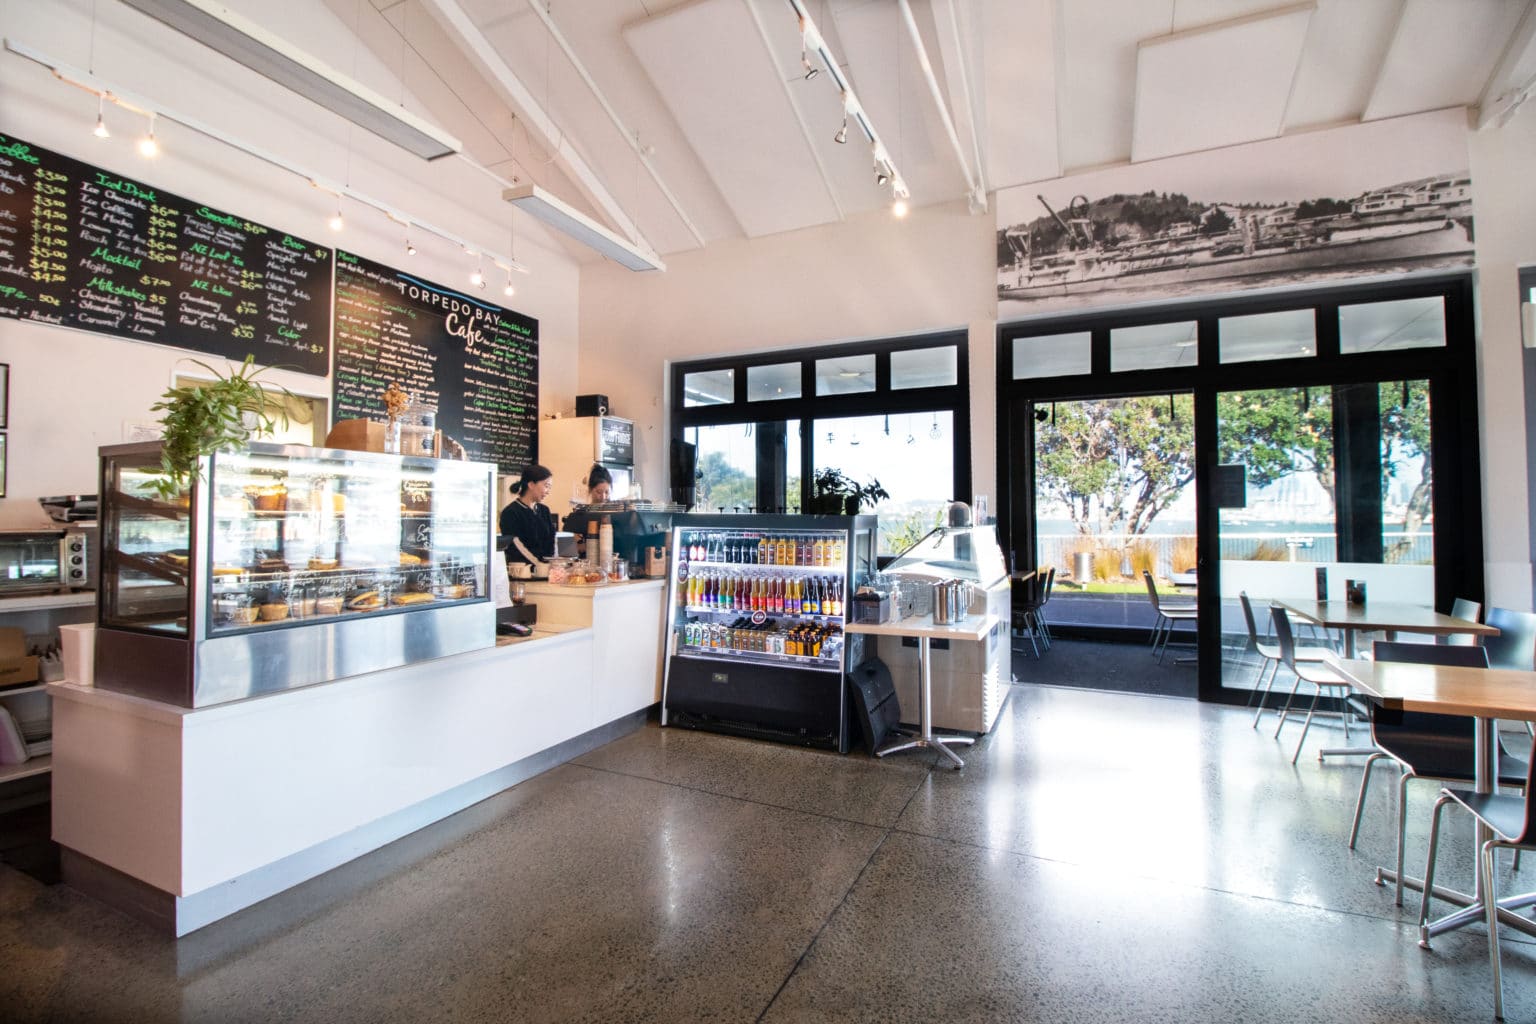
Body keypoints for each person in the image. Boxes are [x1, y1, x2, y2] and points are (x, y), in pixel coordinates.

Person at [500, 464, 555, 566]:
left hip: (545, 570)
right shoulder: (510, 512)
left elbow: (551, 539)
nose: (548, 491)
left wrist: (550, 563)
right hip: (523, 571)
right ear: (531, 484)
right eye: (546, 486)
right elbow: (516, 545)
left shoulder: (544, 510)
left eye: (549, 487)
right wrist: (539, 565)